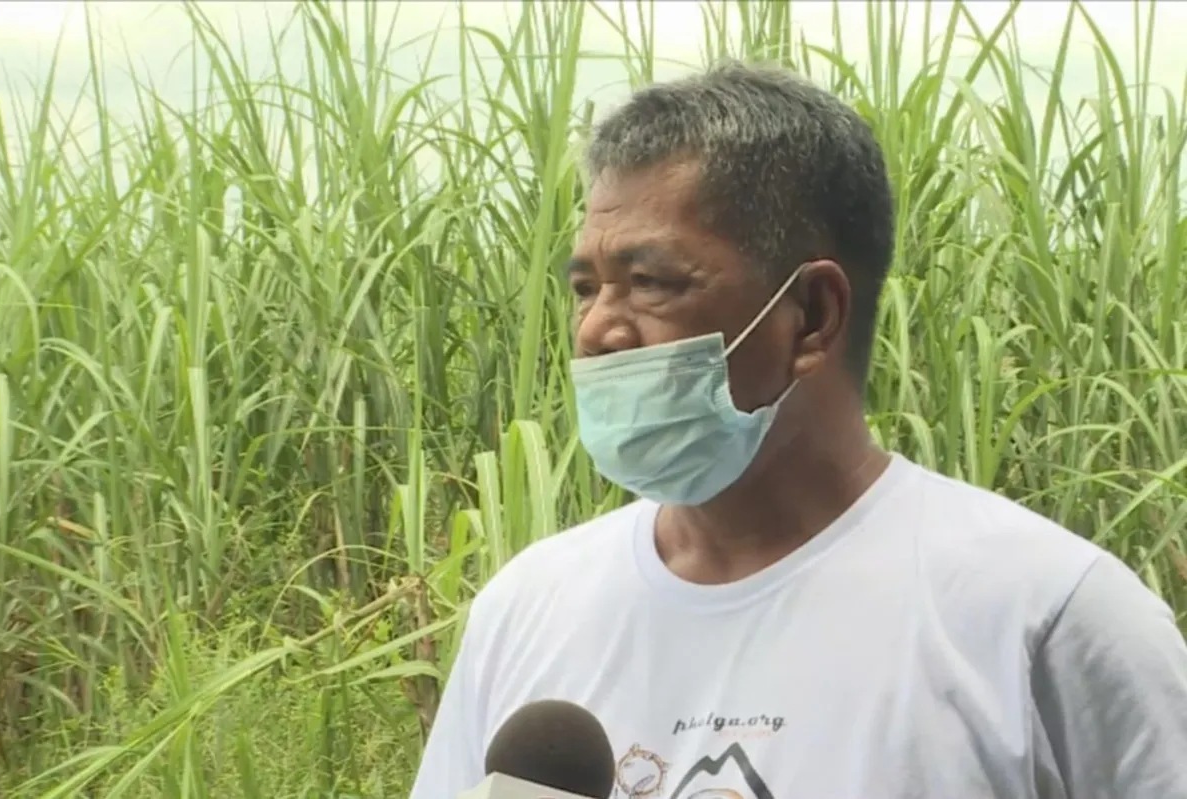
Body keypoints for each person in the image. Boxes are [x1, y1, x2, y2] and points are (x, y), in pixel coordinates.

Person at [409, 61, 1187, 799]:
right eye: (587, 288)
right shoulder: (528, 609)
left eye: (650, 282)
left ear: (812, 317)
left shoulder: (1045, 618)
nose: (598, 328)